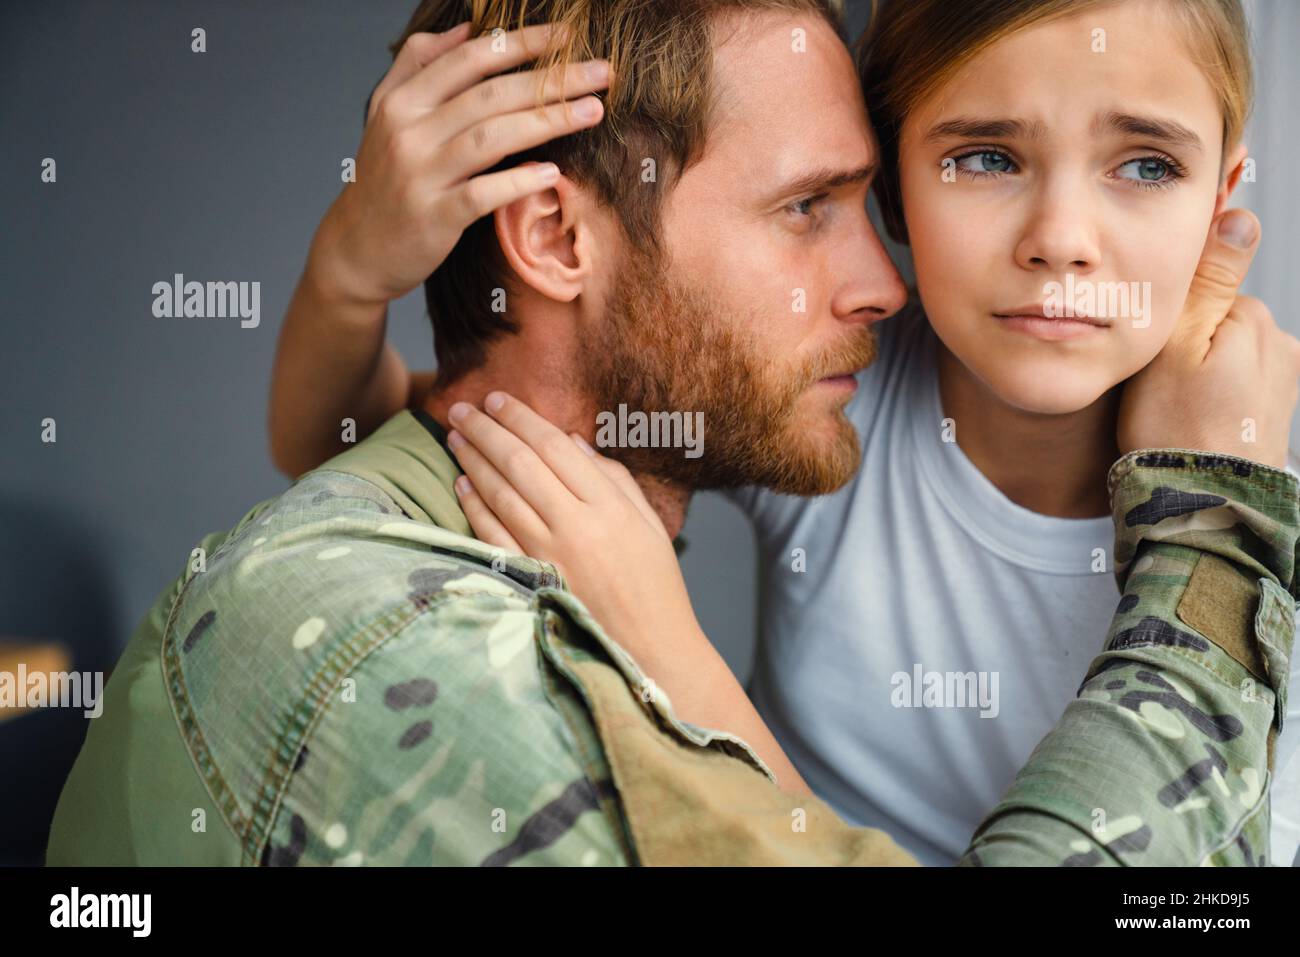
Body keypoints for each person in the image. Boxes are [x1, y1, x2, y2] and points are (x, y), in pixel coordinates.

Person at [50, 1, 1300, 866]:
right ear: (912, 170)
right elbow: (360, 438)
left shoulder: (1255, 504)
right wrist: (353, 261)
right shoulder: (844, 406)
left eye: (1144, 164)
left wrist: (670, 652)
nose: (1061, 238)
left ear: (1224, 197)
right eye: (981, 157)